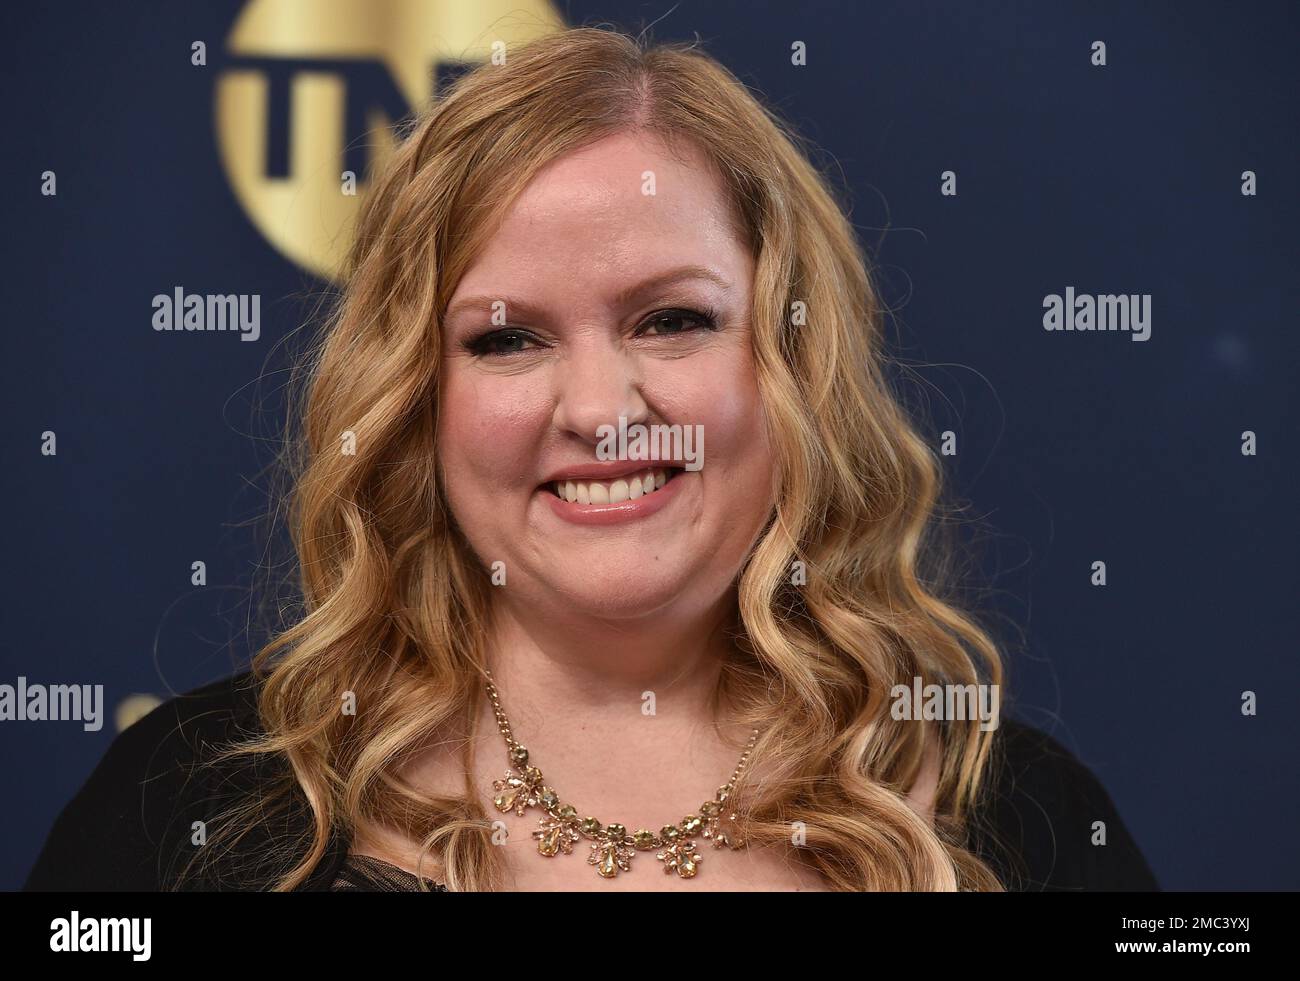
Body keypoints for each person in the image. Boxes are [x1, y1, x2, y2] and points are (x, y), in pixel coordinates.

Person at [25, 26, 1156, 892]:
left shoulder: (1023, 820)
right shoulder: (189, 804)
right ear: (421, 399)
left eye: (670, 320)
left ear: (790, 363)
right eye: (506, 338)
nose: (602, 411)